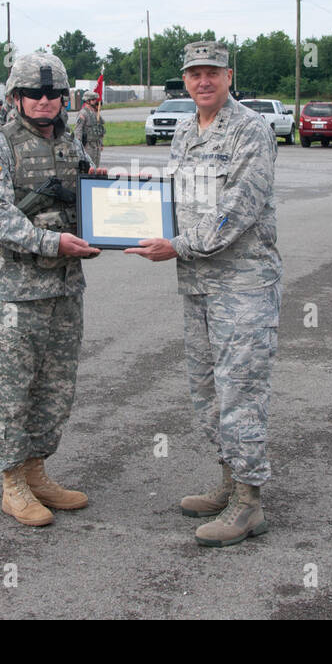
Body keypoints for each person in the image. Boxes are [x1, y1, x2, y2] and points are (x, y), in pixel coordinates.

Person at [127, 40, 281, 547]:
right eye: (194, 74)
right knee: (206, 393)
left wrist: (175, 245)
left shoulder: (250, 131)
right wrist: (122, 201)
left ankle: (249, 502)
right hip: (197, 282)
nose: (203, 81)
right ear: (186, 81)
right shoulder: (186, 131)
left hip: (242, 285)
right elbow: (175, 199)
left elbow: (236, 211)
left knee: (240, 392)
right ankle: (228, 478)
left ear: (229, 76)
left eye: (212, 72)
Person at [0, 53, 99, 527]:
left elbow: (92, 191)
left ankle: (38, 470)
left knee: (56, 388)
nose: (44, 102)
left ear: (64, 98)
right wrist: (51, 241)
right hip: (13, 293)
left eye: (53, 94)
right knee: (12, 390)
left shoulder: (71, 145)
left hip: (64, 290)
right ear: (15, 97)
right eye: (33, 94)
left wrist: (125, 203)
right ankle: (12, 484)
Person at [74, 91, 106, 167]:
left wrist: (101, 143)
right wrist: (79, 146)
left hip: (96, 145)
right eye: (94, 100)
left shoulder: (95, 113)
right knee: (89, 167)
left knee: (96, 167)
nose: (96, 102)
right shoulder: (83, 113)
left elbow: (98, 129)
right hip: (87, 146)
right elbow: (78, 130)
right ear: (88, 101)